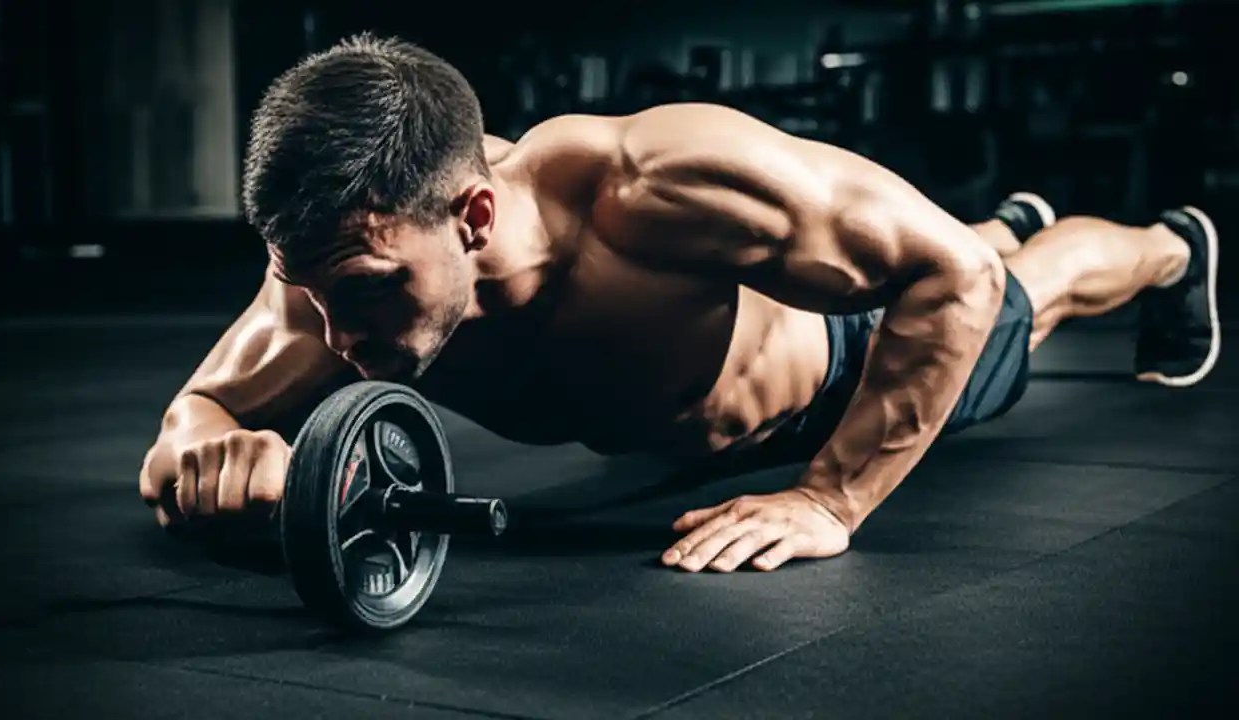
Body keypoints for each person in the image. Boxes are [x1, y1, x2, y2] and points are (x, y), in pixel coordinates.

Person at [138, 34, 1220, 573]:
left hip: (835, 373)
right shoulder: (340, 265)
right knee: (960, 242)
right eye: (310, 298)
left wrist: (828, 501)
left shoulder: (650, 185)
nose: (335, 342)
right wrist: (223, 456)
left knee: (1021, 287)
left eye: (368, 298)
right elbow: (189, 426)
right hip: (678, 427)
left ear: (471, 216)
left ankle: (1168, 250)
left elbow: (955, 286)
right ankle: (997, 212)